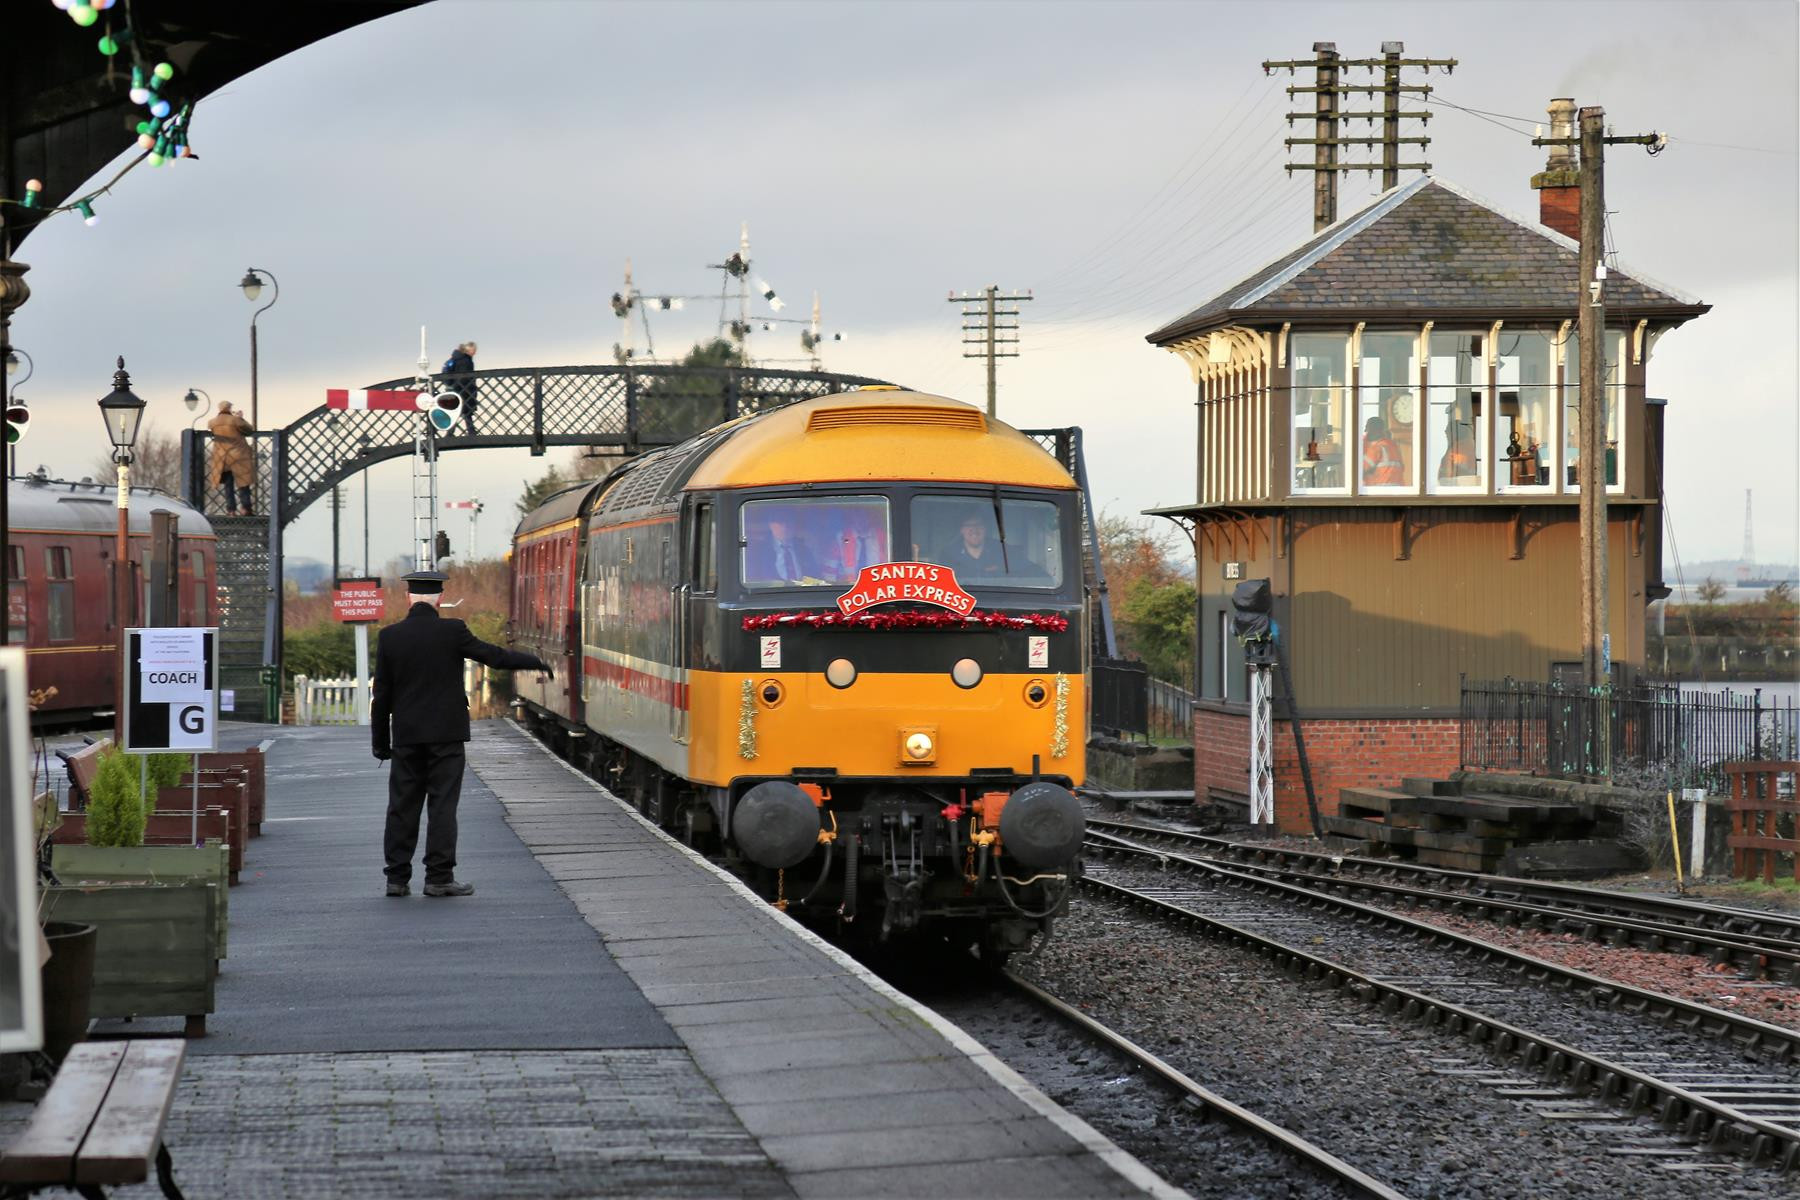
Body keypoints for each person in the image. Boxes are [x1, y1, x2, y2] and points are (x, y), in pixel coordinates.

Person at [372, 569, 552, 897]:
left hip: (407, 736)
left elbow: (381, 695)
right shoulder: (453, 631)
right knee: (442, 805)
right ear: (440, 599)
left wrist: (381, 744)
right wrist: (534, 661)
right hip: (446, 736)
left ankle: (396, 879)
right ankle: (439, 878)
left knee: (401, 806)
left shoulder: (390, 637)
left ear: (407, 598)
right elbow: (495, 657)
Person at [207, 401, 256, 516]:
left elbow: (212, 430)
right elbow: (249, 430)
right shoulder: (235, 420)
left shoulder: (212, 422)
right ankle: (245, 508)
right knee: (243, 483)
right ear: (229, 408)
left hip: (222, 457)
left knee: (228, 485)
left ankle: (231, 510)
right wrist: (240, 418)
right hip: (238, 455)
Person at [752, 511, 822, 584]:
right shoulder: (758, 552)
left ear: (794, 525)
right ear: (771, 525)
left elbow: (815, 577)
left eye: (788, 522)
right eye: (780, 523)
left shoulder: (804, 550)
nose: (785, 527)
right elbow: (755, 580)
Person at [946, 511, 1008, 578]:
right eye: (968, 525)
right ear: (961, 530)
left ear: (985, 528)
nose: (974, 530)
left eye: (978, 525)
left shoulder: (1001, 549)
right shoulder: (949, 554)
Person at [444, 341, 478, 434]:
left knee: (457, 411)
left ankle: (451, 433)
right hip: (463, 390)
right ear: (469, 350)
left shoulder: (457, 358)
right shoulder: (465, 360)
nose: (475, 352)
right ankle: (471, 432)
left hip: (455, 389)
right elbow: (464, 376)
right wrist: (469, 387)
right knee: (466, 411)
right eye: (474, 350)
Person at [1361, 416, 1405, 486]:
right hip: (1397, 490)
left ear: (1373, 430)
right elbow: (1402, 468)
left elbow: (1361, 471)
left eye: (1368, 429)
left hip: (1380, 490)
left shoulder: (1377, 448)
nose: (1366, 433)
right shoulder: (1393, 446)